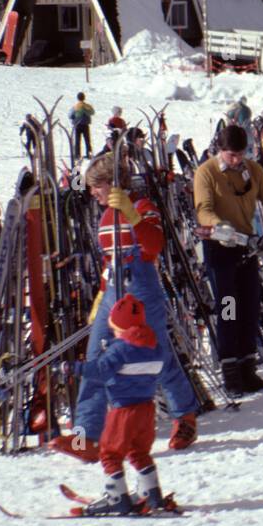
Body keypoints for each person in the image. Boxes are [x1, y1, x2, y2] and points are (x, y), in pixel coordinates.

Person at [52, 151, 199, 460]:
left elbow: (154, 245)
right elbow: (109, 260)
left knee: (156, 355)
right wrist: (101, 296)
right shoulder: (105, 217)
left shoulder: (143, 207)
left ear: (112, 184)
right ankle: (87, 436)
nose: (93, 193)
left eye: (97, 187)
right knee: (95, 358)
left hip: (142, 289)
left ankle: (184, 415)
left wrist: (132, 213)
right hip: (112, 290)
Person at [193, 124, 263, 397]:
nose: (236, 160)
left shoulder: (253, 170)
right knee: (228, 308)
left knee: (249, 306)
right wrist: (219, 225)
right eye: (231, 155)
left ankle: (248, 368)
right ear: (220, 151)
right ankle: (230, 371)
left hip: (247, 247)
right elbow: (204, 209)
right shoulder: (206, 173)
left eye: (241, 154)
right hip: (220, 247)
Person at [71, 294, 173, 515]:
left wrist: (76, 368)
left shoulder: (120, 349)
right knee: (139, 451)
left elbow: (100, 370)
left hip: (123, 409)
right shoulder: (155, 347)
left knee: (110, 452)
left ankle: (116, 496)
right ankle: (151, 492)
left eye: (115, 329)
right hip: (147, 409)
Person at [68, 92, 94, 160]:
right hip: (85, 124)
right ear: (84, 98)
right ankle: (89, 153)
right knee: (87, 139)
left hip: (77, 125)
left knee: (77, 140)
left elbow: (70, 115)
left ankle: (77, 154)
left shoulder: (76, 106)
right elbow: (92, 112)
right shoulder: (87, 106)